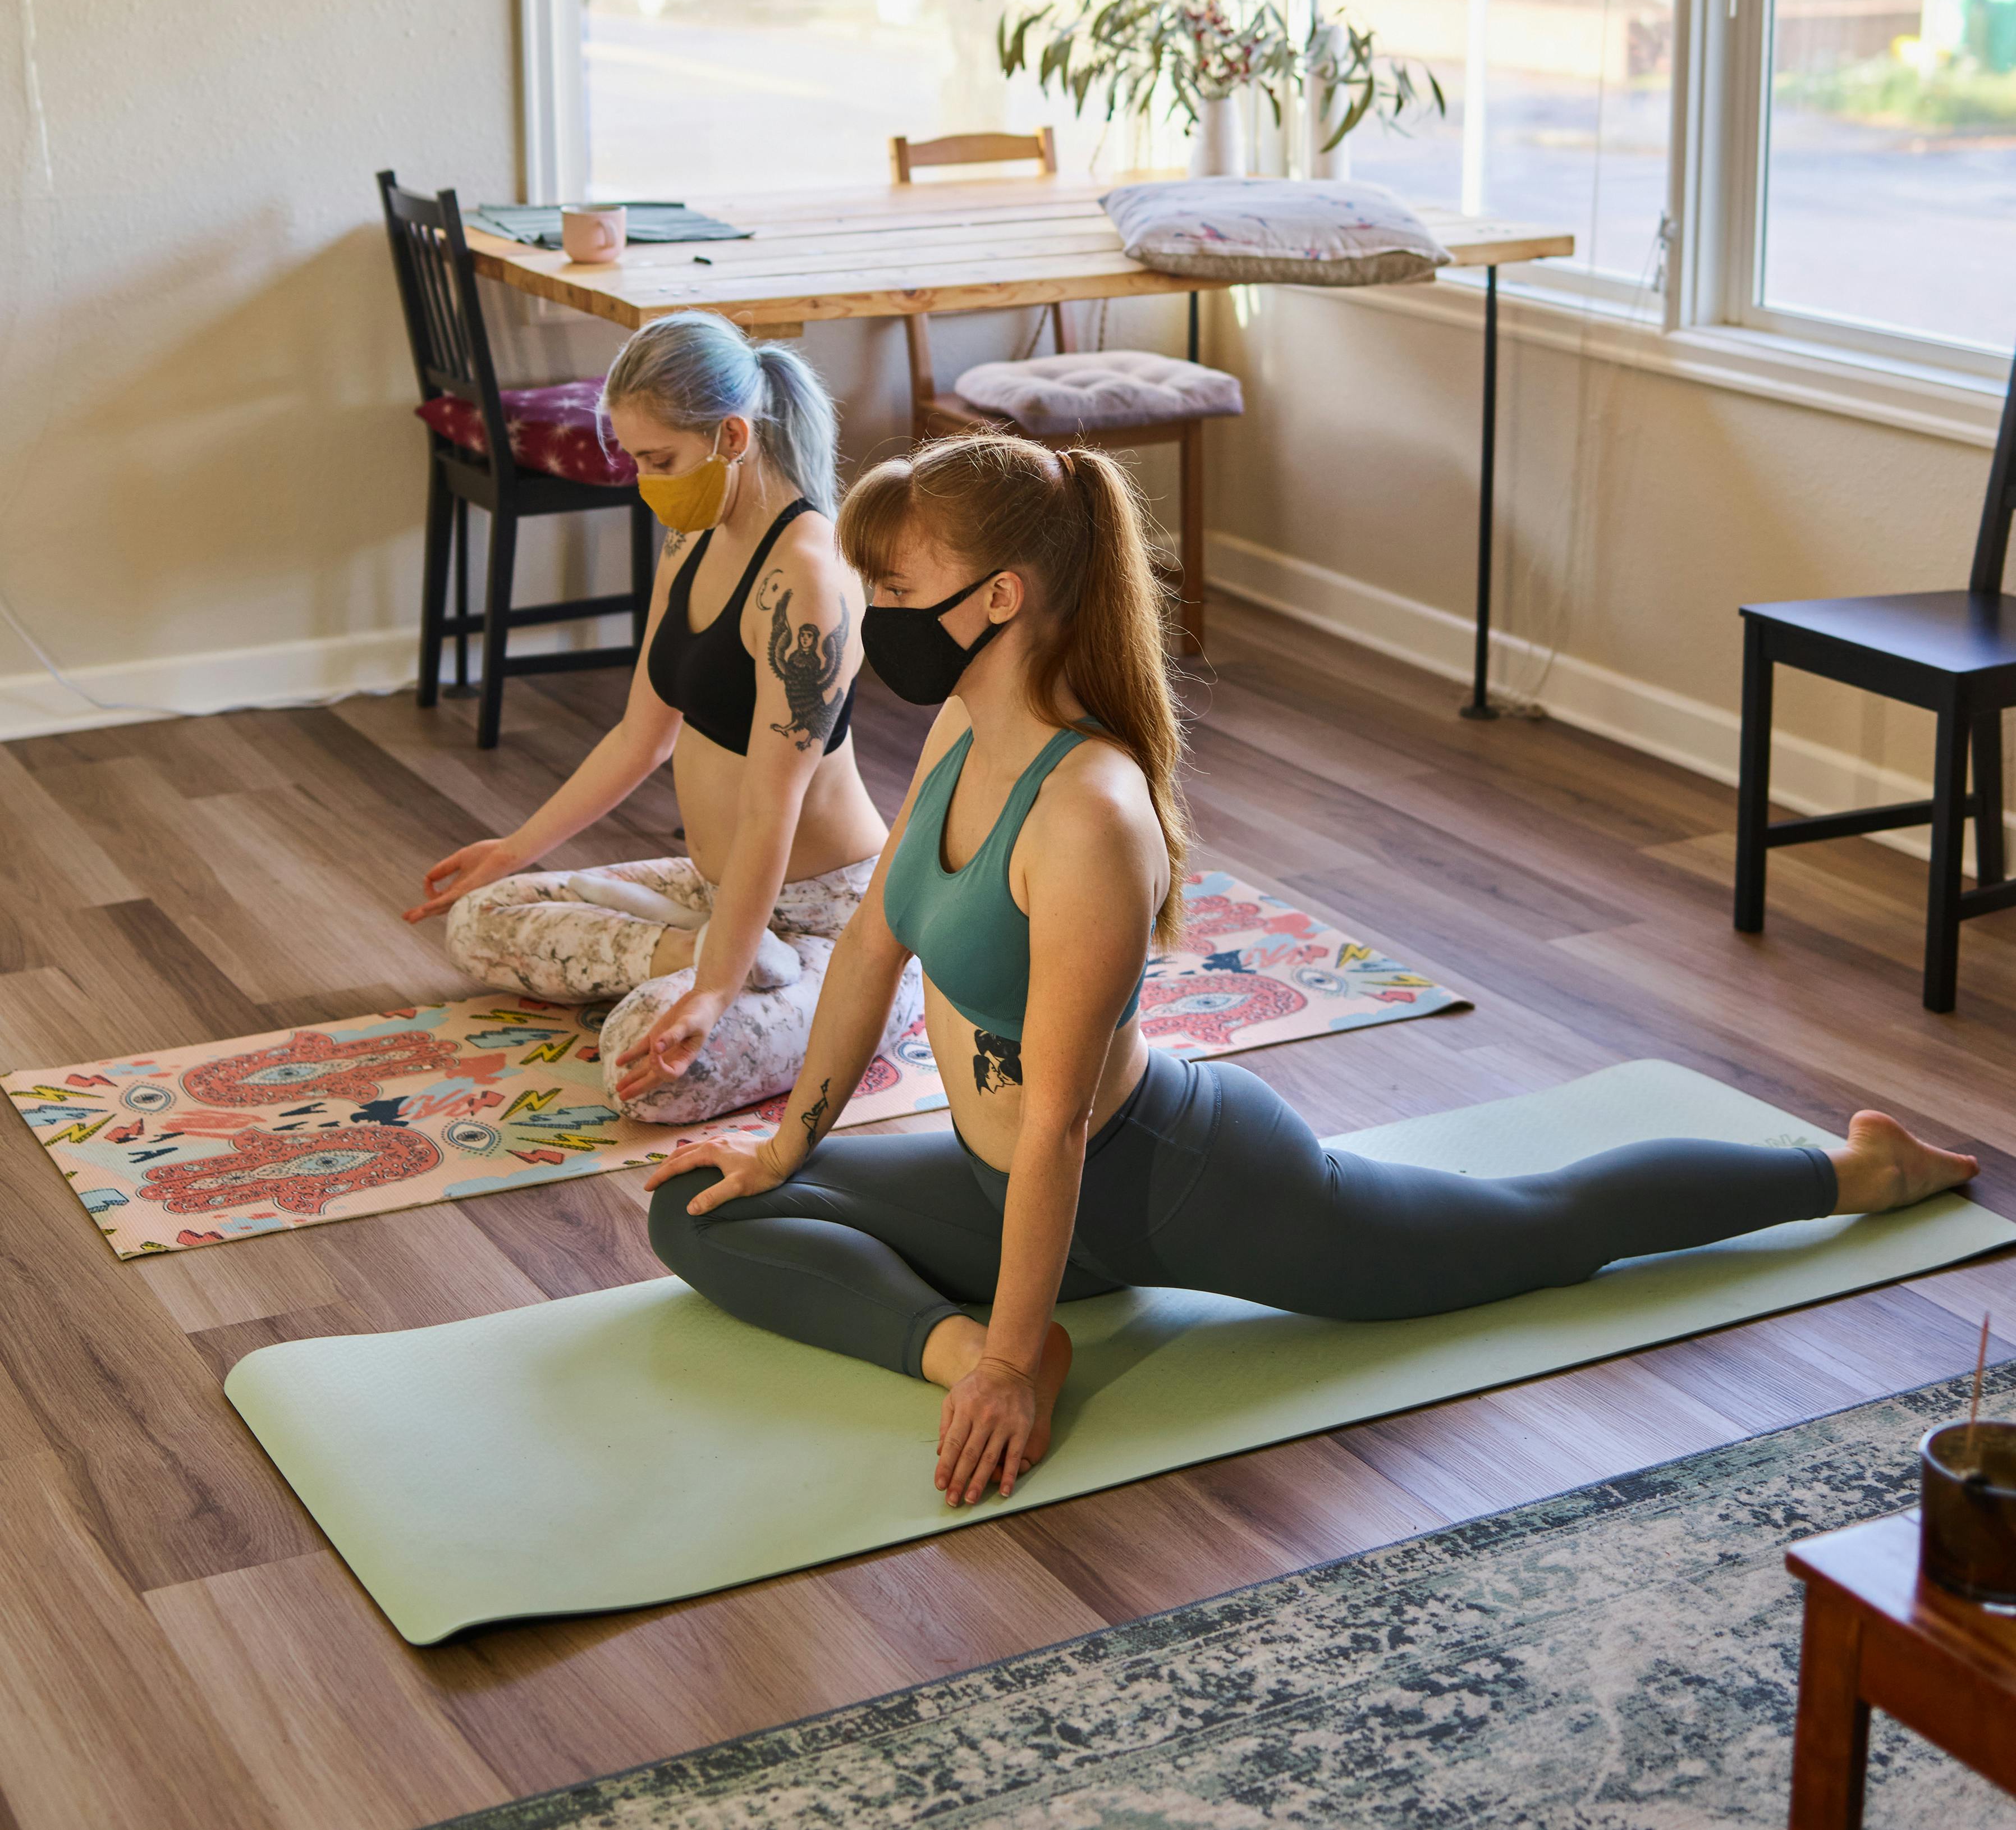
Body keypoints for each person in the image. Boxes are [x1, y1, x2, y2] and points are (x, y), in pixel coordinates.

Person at [645, 432, 1980, 1509]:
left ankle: (1853, 1170)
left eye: (894, 589)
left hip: (1172, 1183)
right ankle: (995, 1340)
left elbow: (1056, 1121)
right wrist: (789, 1149)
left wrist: (1000, 1361)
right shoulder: (953, 728)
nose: (874, 615)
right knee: (704, 1210)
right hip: (1009, 1186)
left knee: (1532, 1233)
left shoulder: (1090, 816)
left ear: (996, 599)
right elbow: (873, 945)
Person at [405, 311, 920, 1124]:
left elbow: (770, 811)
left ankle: (772, 976)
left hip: (835, 920)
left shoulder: (809, 583)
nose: (646, 482)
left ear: (735, 437)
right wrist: (512, 850)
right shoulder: (692, 541)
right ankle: (726, 960)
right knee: (481, 917)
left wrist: (714, 990)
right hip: (717, 891)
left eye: (659, 459)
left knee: (646, 1066)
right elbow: (639, 737)